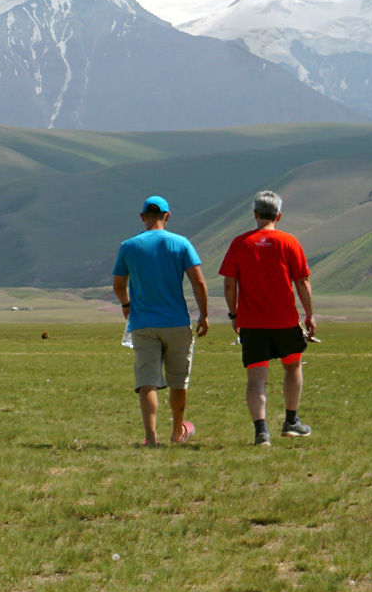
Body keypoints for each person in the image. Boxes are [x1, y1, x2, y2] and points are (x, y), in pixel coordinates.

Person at [220, 190, 316, 446]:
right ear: (279, 216)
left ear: (255, 215)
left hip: (251, 323)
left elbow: (230, 284)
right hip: (285, 320)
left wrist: (234, 314)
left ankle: (261, 431)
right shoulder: (289, 242)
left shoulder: (240, 243)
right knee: (293, 366)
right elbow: (302, 281)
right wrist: (309, 314)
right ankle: (291, 421)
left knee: (256, 378)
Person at [112, 196, 209, 447]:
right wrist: (204, 314)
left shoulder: (129, 246)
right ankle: (177, 431)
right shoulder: (181, 243)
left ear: (143, 216)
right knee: (178, 381)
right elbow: (198, 281)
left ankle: (151, 438)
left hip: (143, 324)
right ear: (167, 216)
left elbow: (119, 284)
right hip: (176, 322)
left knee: (147, 382)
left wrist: (126, 305)